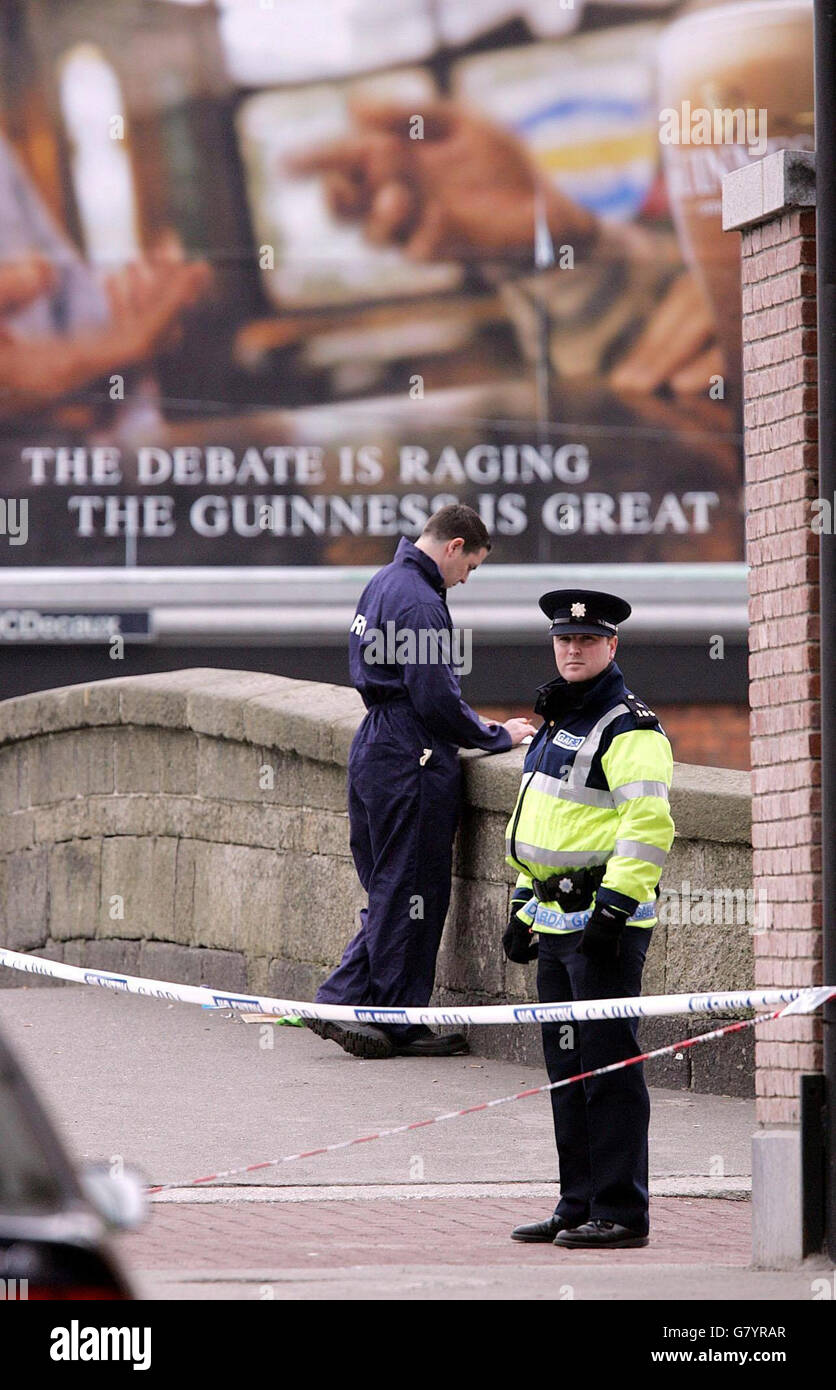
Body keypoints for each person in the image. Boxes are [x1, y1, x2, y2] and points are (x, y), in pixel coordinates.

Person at [308, 504, 535, 1059]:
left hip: (376, 743)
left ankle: (346, 1003)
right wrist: (495, 736)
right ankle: (388, 1015)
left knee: (390, 883)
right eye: (471, 567)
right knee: (411, 887)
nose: (466, 579)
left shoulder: (383, 582)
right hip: (412, 750)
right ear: (455, 546)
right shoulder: (422, 603)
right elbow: (435, 697)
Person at [504, 590, 674, 1248]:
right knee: (567, 1072)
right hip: (553, 921)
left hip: (602, 926)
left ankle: (621, 1212)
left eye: (586, 641)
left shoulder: (628, 727)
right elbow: (543, 821)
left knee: (608, 1071)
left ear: (611, 646)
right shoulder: (557, 716)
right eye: (564, 640)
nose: (572, 650)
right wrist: (522, 902)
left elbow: (648, 825)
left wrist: (616, 906)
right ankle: (576, 1205)